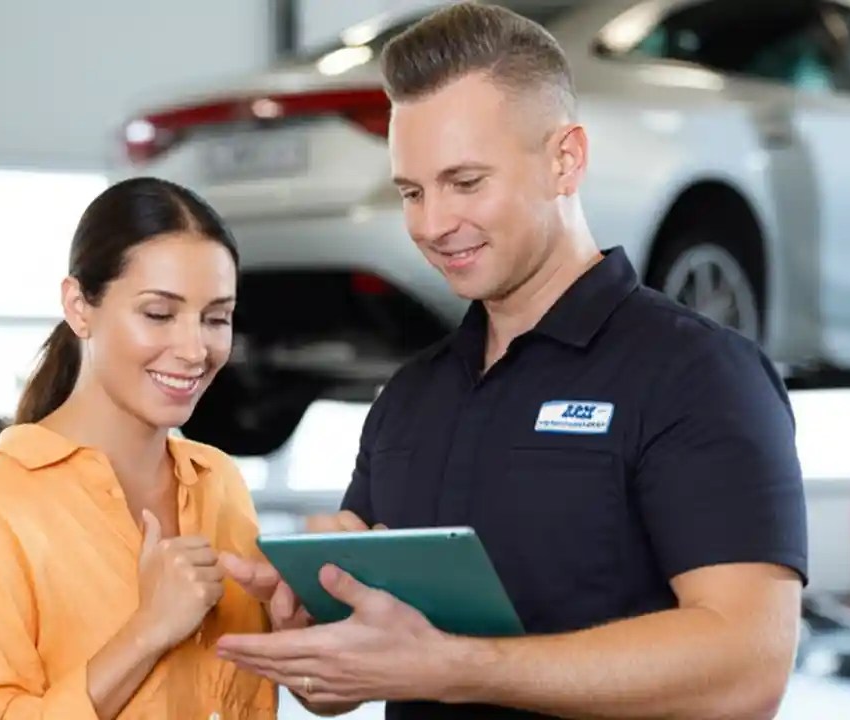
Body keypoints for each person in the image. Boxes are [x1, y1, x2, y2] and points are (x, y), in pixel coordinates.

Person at [216, 4, 808, 719]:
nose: (433, 224)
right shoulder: (409, 398)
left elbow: (745, 669)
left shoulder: (698, 374)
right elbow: (351, 687)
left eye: (466, 183)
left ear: (566, 159)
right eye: (412, 191)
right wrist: (314, 630)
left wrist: (461, 668)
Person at [0, 177, 280, 719]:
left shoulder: (218, 483)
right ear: (79, 306)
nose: (196, 349)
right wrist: (146, 633)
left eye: (216, 318)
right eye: (159, 313)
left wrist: (299, 626)